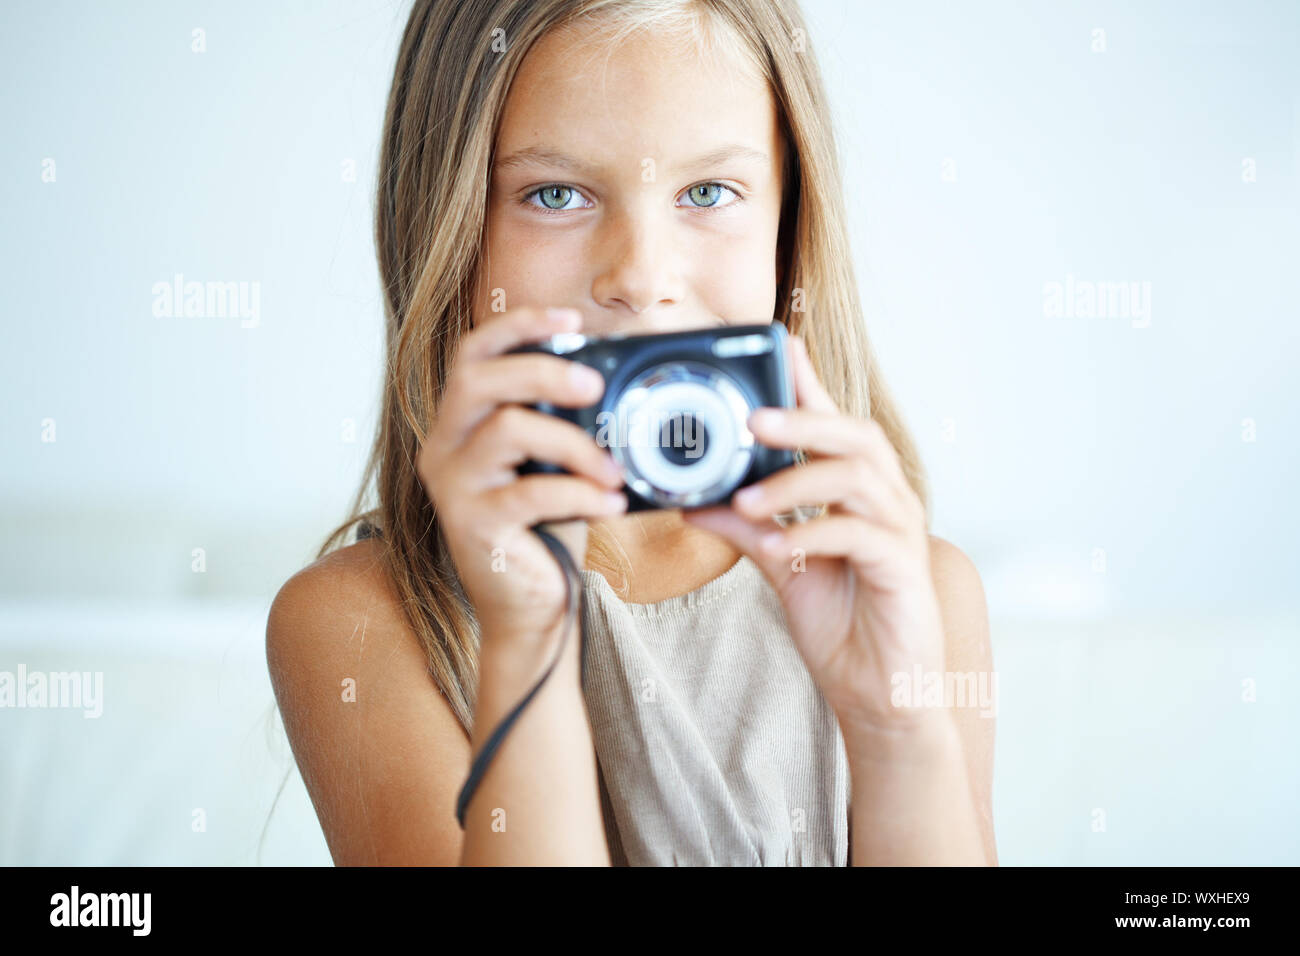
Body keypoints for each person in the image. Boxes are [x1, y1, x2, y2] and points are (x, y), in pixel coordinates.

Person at [266, 0, 997, 866]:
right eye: (557, 194)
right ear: (449, 228)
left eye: (708, 192)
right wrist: (528, 641)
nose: (642, 278)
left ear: (788, 222)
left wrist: (895, 727)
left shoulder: (918, 592)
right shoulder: (360, 623)